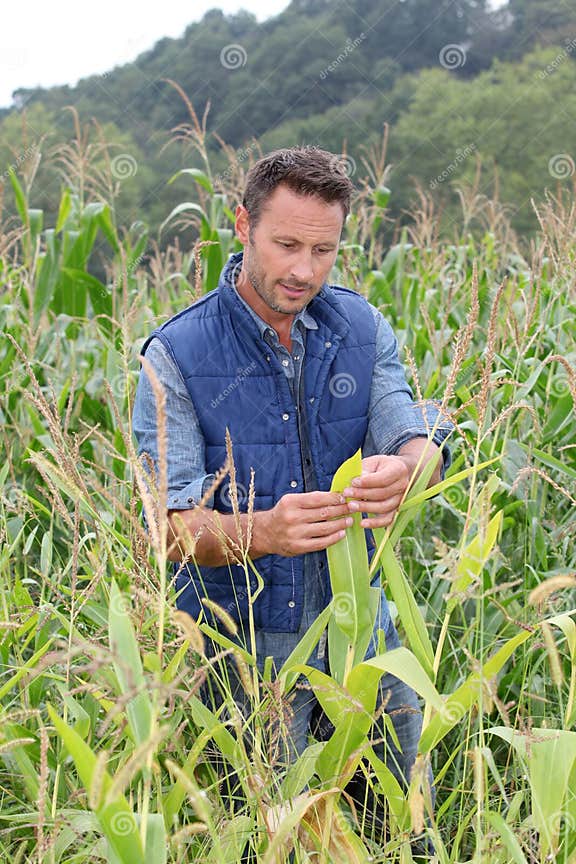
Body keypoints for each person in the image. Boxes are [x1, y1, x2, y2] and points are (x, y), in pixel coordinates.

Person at [132, 145, 451, 847]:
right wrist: (263, 533)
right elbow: (167, 528)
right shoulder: (178, 357)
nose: (304, 269)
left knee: (408, 835)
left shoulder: (361, 330)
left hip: (365, 640)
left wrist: (411, 469)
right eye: (285, 244)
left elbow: (412, 427)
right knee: (268, 842)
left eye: (323, 249)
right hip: (246, 660)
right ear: (242, 224)